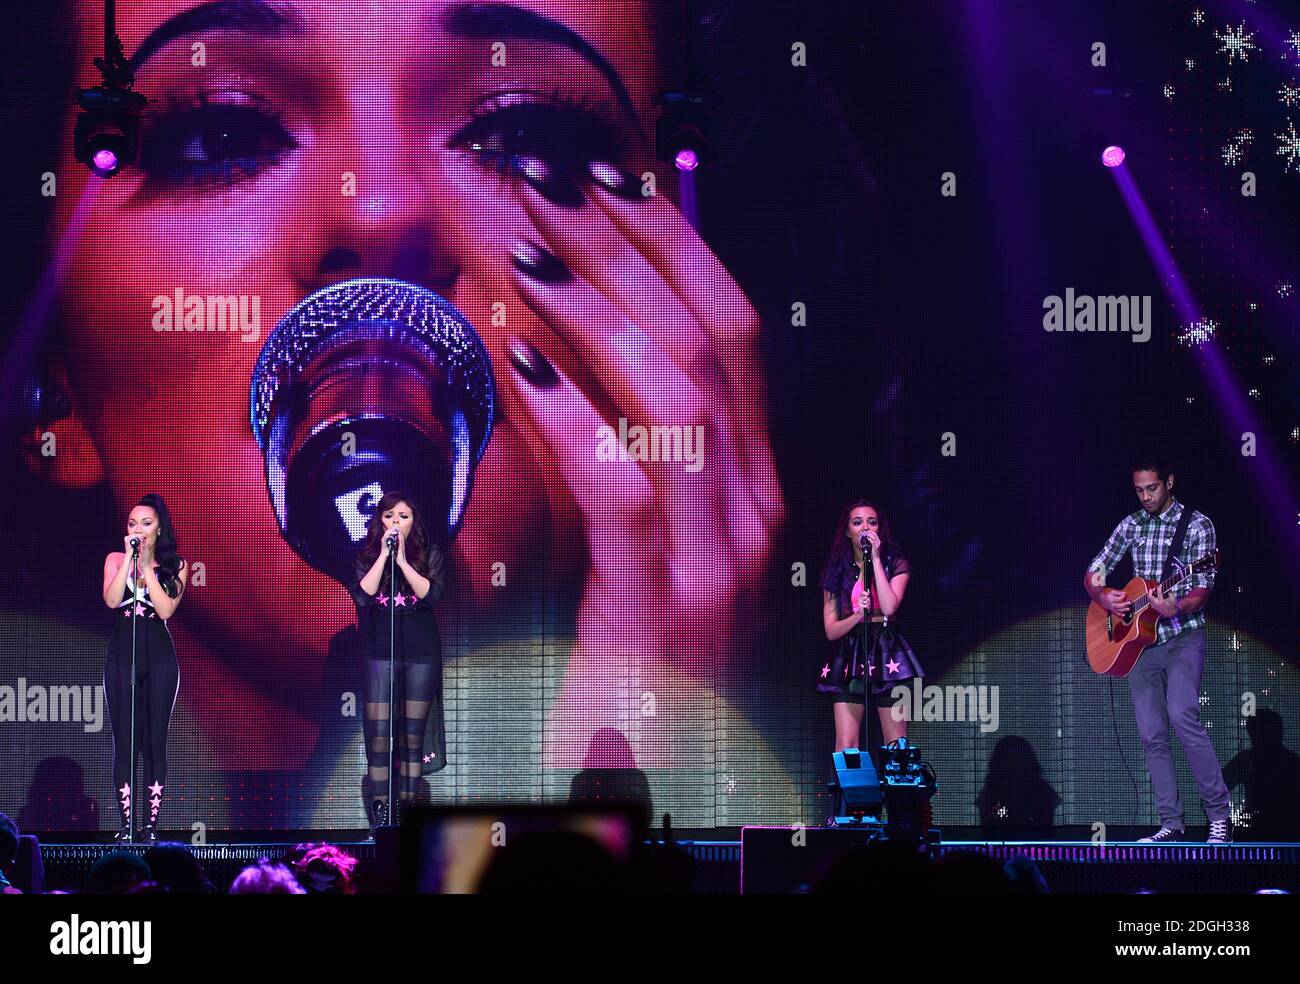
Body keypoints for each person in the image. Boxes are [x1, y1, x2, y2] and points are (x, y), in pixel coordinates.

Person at [1084, 454, 1230, 844]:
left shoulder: (1197, 526)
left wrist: (1176, 607)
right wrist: (1103, 598)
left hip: (1183, 635)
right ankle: (1171, 823)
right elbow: (1094, 571)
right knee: (1151, 735)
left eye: (1152, 488)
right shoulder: (1131, 525)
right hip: (1141, 644)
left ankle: (1218, 816)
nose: (1145, 496)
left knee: (1183, 717)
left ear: (1169, 482)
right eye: (1139, 490)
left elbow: (1201, 589)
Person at [350, 492, 446, 832]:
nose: (396, 522)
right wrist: (384, 557)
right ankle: (380, 810)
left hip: (421, 655)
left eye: (403, 516)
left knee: (411, 739)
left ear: (413, 522)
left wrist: (404, 561)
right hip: (379, 654)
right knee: (378, 737)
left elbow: (431, 595)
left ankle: (406, 811)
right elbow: (363, 595)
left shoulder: (429, 555)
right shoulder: (366, 556)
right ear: (380, 521)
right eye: (389, 515)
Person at [101, 493, 188, 842]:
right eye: (132, 523)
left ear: (159, 528)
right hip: (122, 654)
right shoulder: (114, 559)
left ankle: (150, 826)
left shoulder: (176, 565)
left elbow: (166, 610)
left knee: (154, 743)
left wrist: (149, 564)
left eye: (146, 523)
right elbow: (110, 600)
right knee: (124, 743)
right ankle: (126, 826)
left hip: (160, 657)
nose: (138, 529)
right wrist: (130, 562)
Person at [817, 499, 921, 779]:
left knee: (896, 746)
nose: (865, 527)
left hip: (886, 651)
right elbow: (831, 630)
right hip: (850, 651)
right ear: (847, 531)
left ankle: (901, 816)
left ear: (879, 529)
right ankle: (849, 813)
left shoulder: (896, 565)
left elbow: (889, 607)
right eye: (858, 522)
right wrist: (855, 616)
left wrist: (874, 560)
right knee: (847, 745)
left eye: (871, 522)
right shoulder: (835, 573)